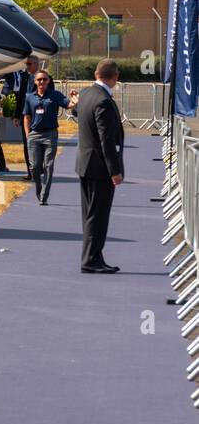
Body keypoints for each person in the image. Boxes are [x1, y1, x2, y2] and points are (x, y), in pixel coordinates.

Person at [70, 59, 125, 274]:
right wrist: (115, 171)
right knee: (98, 215)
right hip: (99, 167)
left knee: (90, 214)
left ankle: (94, 255)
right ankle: (91, 260)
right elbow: (106, 141)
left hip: (85, 164)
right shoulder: (103, 100)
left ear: (96, 73)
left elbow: (79, 115)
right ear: (115, 77)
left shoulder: (86, 94)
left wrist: (75, 102)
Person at [22, 69, 70, 205]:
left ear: (48, 81)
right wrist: (28, 135)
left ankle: (44, 195)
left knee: (48, 165)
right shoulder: (29, 97)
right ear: (35, 81)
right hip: (34, 135)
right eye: (39, 79)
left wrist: (74, 99)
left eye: (44, 79)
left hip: (50, 134)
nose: (42, 81)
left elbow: (69, 105)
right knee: (35, 167)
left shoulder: (55, 95)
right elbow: (26, 117)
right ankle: (38, 188)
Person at [4, 55, 40, 179]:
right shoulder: (24, 78)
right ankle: (30, 172)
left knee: (38, 144)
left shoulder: (44, 78)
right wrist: (17, 116)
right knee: (27, 144)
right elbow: (20, 98)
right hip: (25, 116)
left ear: (36, 65)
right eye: (27, 64)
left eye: (29, 64)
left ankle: (39, 170)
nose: (27, 66)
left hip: (38, 116)